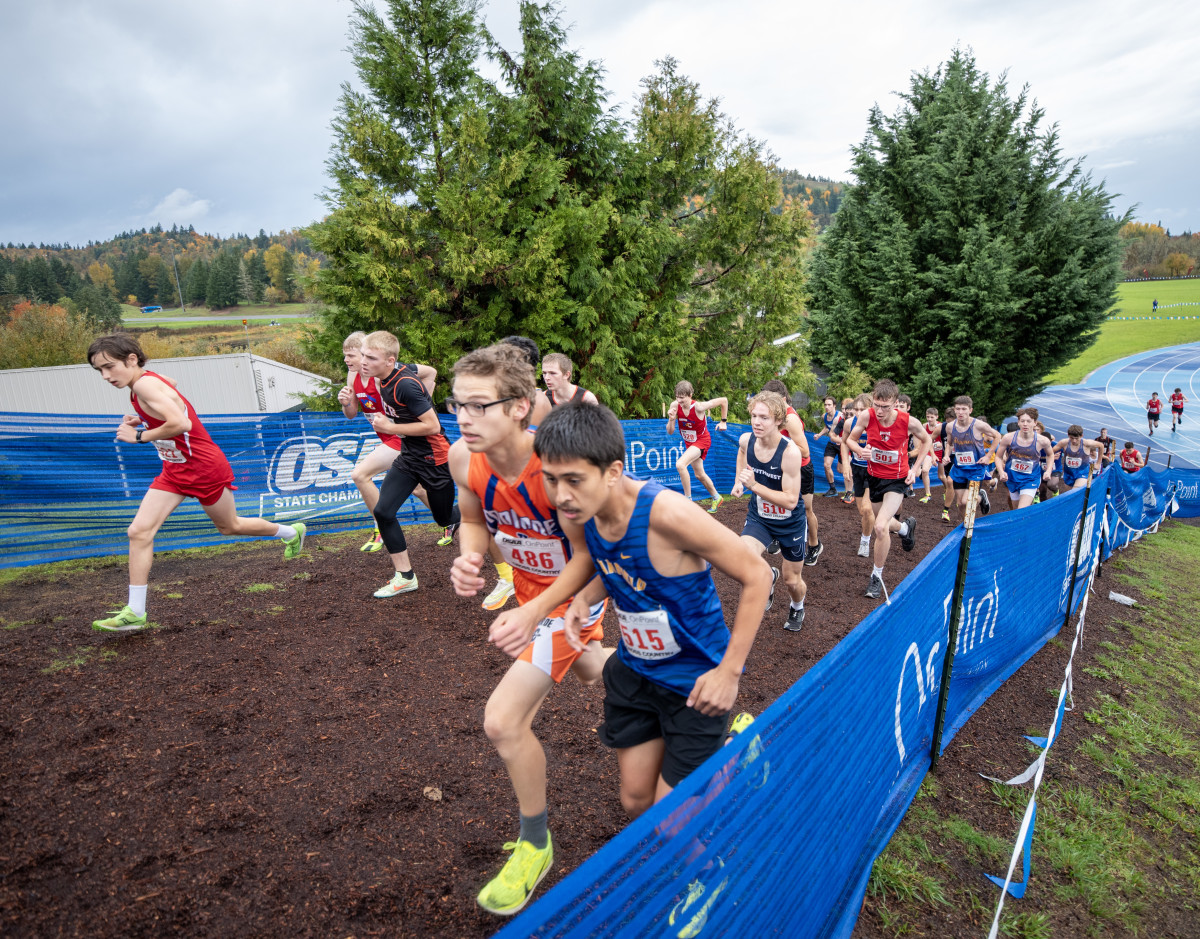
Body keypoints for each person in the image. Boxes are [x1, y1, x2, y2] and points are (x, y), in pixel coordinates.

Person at [487, 404, 771, 824]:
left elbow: (759, 575)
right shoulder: (579, 512)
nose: (561, 495)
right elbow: (605, 559)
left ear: (614, 472)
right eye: (550, 479)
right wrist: (585, 596)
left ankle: (731, 762)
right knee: (636, 803)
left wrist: (729, 673)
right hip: (636, 674)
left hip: (694, 681)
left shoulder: (667, 513)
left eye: (574, 480)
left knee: (672, 823)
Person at [445, 343, 611, 916]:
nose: (463, 417)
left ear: (518, 407)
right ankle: (687, 693)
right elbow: (472, 519)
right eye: (456, 404)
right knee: (593, 667)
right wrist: (471, 558)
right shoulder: (462, 460)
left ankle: (536, 845)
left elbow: (593, 559)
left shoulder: (555, 468)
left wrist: (540, 611)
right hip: (532, 601)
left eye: (478, 405)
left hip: (576, 599)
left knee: (503, 719)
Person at [87, 334, 304, 631]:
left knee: (230, 527)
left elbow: (181, 423)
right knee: (138, 531)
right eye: (99, 370)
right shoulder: (146, 382)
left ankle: (291, 531)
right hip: (174, 470)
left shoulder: (144, 384)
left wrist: (139, 435)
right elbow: (171, 384)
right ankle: (135, 611)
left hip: (203, 468)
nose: (105, 376)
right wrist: (148, 418)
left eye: (109, 367)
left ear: (132, 359)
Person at [359, 331, 459, 598]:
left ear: (390, 360)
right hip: (409, 456)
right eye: (363, 355)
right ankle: (405, 577)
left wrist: (391, 425)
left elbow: (433, 425)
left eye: (370, 357)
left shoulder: (404, 384)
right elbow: (430, 371)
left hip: (434, 459)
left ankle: (482, 514)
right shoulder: (394, 372)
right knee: (383, 511)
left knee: (444, 518)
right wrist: (425, 395)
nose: (364, 362)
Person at [336, 331, 447, 552]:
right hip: (387, 437)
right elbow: (350, 414)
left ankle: (380, 528)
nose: (347, 360)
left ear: (366, 354)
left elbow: (430, 373)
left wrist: (423, 402)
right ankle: (449, 521)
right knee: (418, 488)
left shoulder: (385, 374)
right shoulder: (353, 376)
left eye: (351, 355)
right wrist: (346, 402)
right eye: (345, 356)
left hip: (399, 438)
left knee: (360, 474)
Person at [842, 380, 932, 599]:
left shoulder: (908, 422)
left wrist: (916, 468)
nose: (880, 411)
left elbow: (927, 440)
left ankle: (876, 576)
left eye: (886, 406)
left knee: (880, 527)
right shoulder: (866, 416)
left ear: (896, 403)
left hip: (897, 479)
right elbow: (849, 440)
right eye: (877, 405)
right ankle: (904, 529)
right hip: (874, 478)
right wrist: (860, 449)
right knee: (881, 519)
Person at [730, 391, 808, 631]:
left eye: (763, 417)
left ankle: (797, 606)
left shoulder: (790, 452)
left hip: (789, 522)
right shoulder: (747, 440)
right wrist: (738, 481)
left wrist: (754, 485)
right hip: (760, 517)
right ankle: (768, 575)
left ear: (778, 421)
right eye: (754, 416)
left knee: (792, 580)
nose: (756, 422)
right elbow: (742, 452)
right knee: (742, 556)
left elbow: (791, 501)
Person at [762, 379, 820, 564]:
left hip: (802, 468)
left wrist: (777, 445)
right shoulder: (774, 415)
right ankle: (778, 537)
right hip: (784, 468)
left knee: (806, 510)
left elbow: (804, 450)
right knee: (779, 504)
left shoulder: (790, 419)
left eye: (773, 400)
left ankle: (814, 545)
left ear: (783, 398)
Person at [667, 381, 728, 513]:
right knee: (699, 474)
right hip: (690, 442)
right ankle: (716, 497)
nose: (679, 400)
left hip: (702, 440)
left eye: (682, 398)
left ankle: (688, 500)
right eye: (677, 397)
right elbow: (670, 432)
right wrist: (672, 419)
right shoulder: (675, 406)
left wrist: (723, 422)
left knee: (680, 465)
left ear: (690, 395)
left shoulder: (699, 407)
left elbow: (724, 400)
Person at [943, 396, 1001, 523]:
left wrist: (988, 456)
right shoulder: (950, 427)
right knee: (960, 504)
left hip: (975, 469)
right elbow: (949, 443)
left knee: (966, 501)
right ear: (954, 410)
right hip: (959, 469)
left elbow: (997, 435)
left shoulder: (979, 425)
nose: (960, 412)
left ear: (970, 410)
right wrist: (946, 455)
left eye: (964, 409)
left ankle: (980, 497)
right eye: (958, 409)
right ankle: (967, 528)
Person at [994, 409, 1055, 509]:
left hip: (1030, 479)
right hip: (1012, 477)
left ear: (1035, 423)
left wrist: (1048, 470)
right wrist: (1001, 471)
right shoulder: (1008, 438)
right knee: (1016, 509)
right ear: (1018, 422)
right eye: (1022, 421)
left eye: (1029, 421)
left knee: (1021, 509)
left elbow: (1050, 455)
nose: (1025, 424)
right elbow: (998, 456)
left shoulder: (1042, 440)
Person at [844, 395, 876, 558]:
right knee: (863, 512)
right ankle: (900, 527)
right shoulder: (850, 423)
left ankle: (865, 540)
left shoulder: (876, 423)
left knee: (866, 508)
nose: (858, 412)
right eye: (856, 409)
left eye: (862, 410)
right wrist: (845, 463)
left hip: (874, 470)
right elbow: (844, 442)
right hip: (857, 469)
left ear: (869, 409)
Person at [1055, 425, 1105, 490]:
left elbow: (1101, 445)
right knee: (1069, 495)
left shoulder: (1087, 443)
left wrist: (1098, 463)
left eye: (1076, 438)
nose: (1074, 441)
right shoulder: (1064, 443)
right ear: (1068, 435)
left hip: (1082, 473)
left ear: (1081, 436)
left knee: (1074, 491)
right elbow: (1051, 451)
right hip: (1069, 473)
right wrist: (1053, 456)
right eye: (1071, 438)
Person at [814, 396, 843, 496]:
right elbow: (827, 427)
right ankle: (833, 489)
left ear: (834, 405)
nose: (827, 407)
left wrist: (841, 440)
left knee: (841, 470)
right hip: (832, 443)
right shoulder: (824, 416)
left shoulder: (840, 416)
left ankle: (853, 488)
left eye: (829, 405)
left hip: (842, 444)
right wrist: (819, 435)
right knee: (826, 465)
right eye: (825, 405)